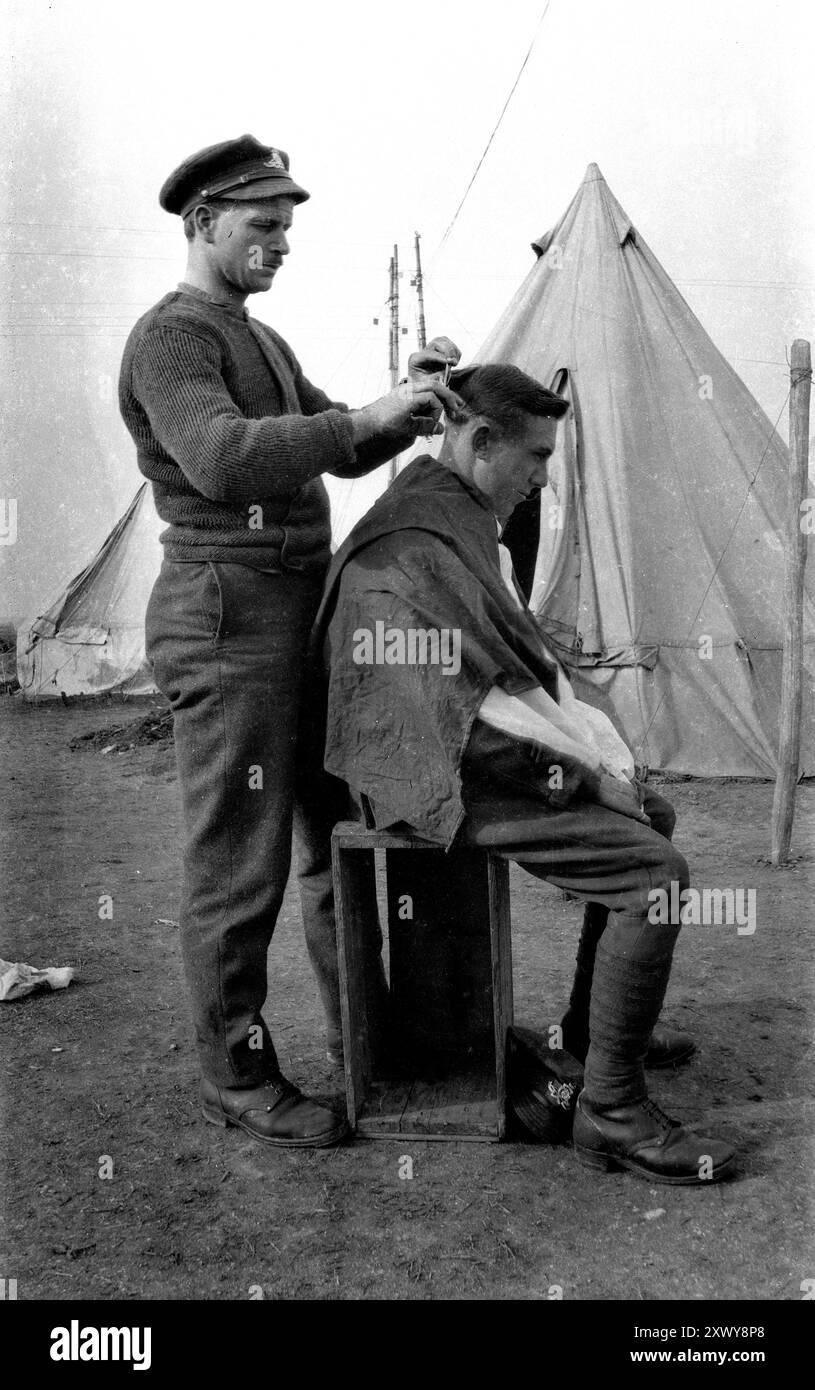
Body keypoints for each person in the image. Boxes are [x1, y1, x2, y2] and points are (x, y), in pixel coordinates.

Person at [118, 133, 462, 1149]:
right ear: (201, 223)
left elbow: (341, 445)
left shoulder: (255, 338)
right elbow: (224, 461)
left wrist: (404, 404)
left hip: (294, 617)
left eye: (287, 227)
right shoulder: (171, 338)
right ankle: (235, 1074)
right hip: (226, 623)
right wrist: (364, 415)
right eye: (262, 225)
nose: (281, 243)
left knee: (331, 848)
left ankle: (371, 1042)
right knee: (239, 863)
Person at [314, 362, 737, 1184]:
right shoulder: (411, 547)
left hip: (459, 754)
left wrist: (596, 763)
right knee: (655, 871)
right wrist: (578, 778)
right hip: (421, 774)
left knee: (651, 815)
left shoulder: (458, 519)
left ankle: (589, 1036)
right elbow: (458, 724)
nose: (543, 475)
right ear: (478, 441)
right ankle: (610, 1112)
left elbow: (507, 677)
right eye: (535, 455)